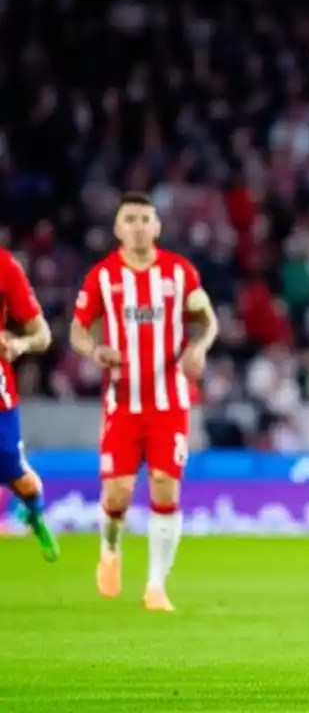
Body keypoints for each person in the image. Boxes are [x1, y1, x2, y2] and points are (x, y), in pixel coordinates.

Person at [69, 192, 220, 611]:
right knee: (117, 495)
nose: (138, 225)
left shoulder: (179, 272)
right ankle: (110, 550)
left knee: (165, 486)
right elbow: (78, 329)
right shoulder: (101, 277)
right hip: (122, 402)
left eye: (145, 218)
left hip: (169, 401)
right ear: (117, 229)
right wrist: (94, 351)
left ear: (157, 227)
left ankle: (156, 586)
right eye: (129, 219)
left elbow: (208, 321)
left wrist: (200, 348)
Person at [0, 248, 58, 561]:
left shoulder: (5, 266)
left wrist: (19, 344)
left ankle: (34, 511)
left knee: (12, 468)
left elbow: (42, 334)